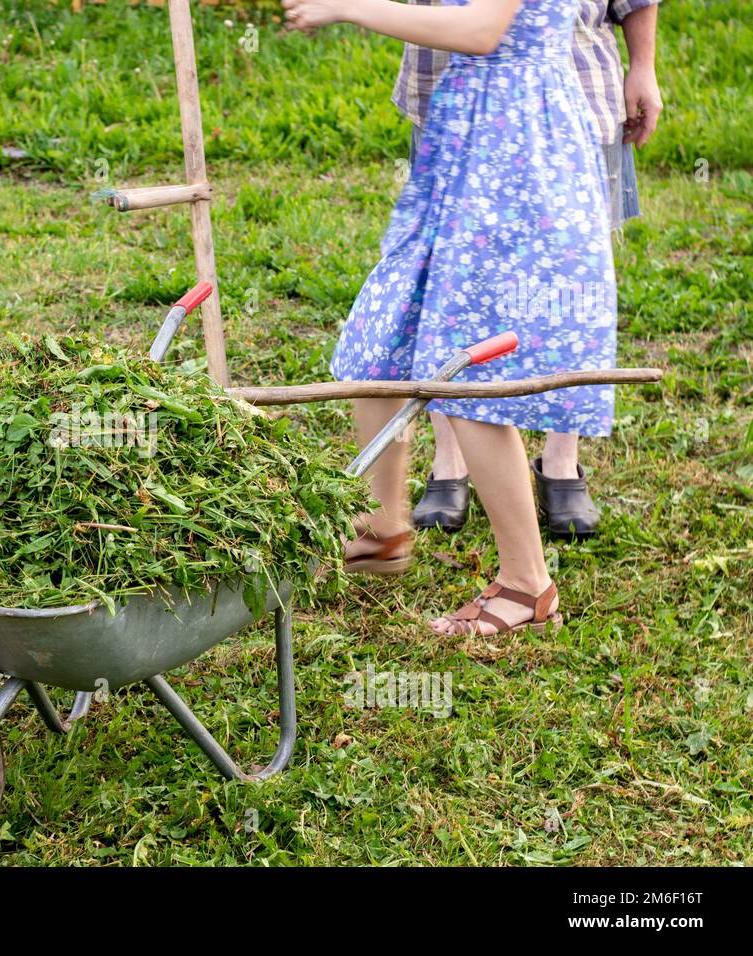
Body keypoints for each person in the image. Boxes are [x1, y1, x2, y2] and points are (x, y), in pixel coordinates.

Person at [283, 0, 618, 636]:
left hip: (514, 152)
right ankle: (380, 529)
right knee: (382, 335)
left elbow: (479, 29)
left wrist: (345, 8)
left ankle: (527, 586)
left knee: (467, 374)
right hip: (470, 139)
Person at [396, 0, 662, 538]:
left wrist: (644, 65)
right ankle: (451, 461)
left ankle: (561, 460)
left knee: (567, 286)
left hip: (573, 93)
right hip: (450, 92)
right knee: (454, 281)